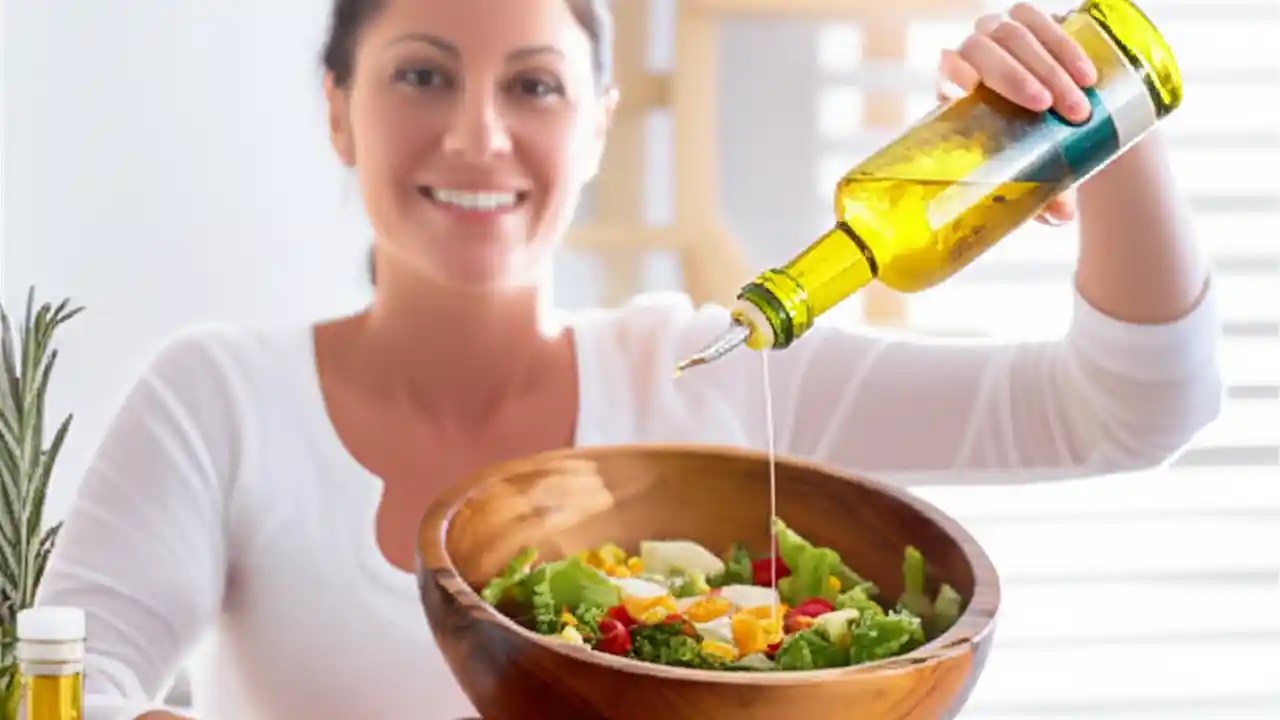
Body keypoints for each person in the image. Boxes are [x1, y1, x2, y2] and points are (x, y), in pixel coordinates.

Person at [37, 0, 1222, 718]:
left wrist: (1098, 119)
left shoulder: (714, 365)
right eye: (421, 73)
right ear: (338, 109)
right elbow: (60, 689)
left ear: (599, 122)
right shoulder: (219, 399)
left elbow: (1130, 409)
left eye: (535, 85)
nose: (478, 133)